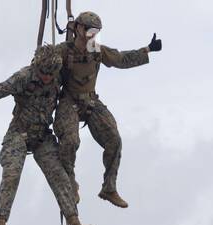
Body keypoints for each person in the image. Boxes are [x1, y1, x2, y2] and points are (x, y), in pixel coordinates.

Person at [0, 47, 95, 225]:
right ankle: (1, 223)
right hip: (19, 133)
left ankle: (75, 223)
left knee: (59, 176)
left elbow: (77, 64)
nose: (46, 78)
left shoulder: (59, 76)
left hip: (42, 136)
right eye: (43, 74)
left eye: (50, 75)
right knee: (11, 174)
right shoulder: (25, 77)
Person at [51, 11, 160, 208]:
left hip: (91, 102)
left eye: (96, 31)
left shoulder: (97, 51)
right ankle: (70, 183)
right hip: (69, 101)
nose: (91, 35)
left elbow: (121, 59)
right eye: (88, 30)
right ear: (77, 28)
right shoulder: (63, 52)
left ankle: (109, 188)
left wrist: (148, 49)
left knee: (114, 140)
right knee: (70, 141)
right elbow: (41, 67)